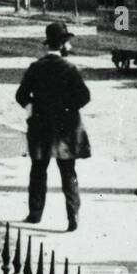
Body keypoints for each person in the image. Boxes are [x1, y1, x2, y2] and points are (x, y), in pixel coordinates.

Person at [15, 21, 91, 229]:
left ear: (48, 44)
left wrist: (33, 109)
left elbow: (21, 95)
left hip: (41, 127)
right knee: (68, 172)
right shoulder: (69, 68)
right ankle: (73, 216)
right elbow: (84, 97)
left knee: (38, 170)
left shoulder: (36, 67)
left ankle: (35, 214)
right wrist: (67, 109)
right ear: (64, 44)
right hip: (65, 129)